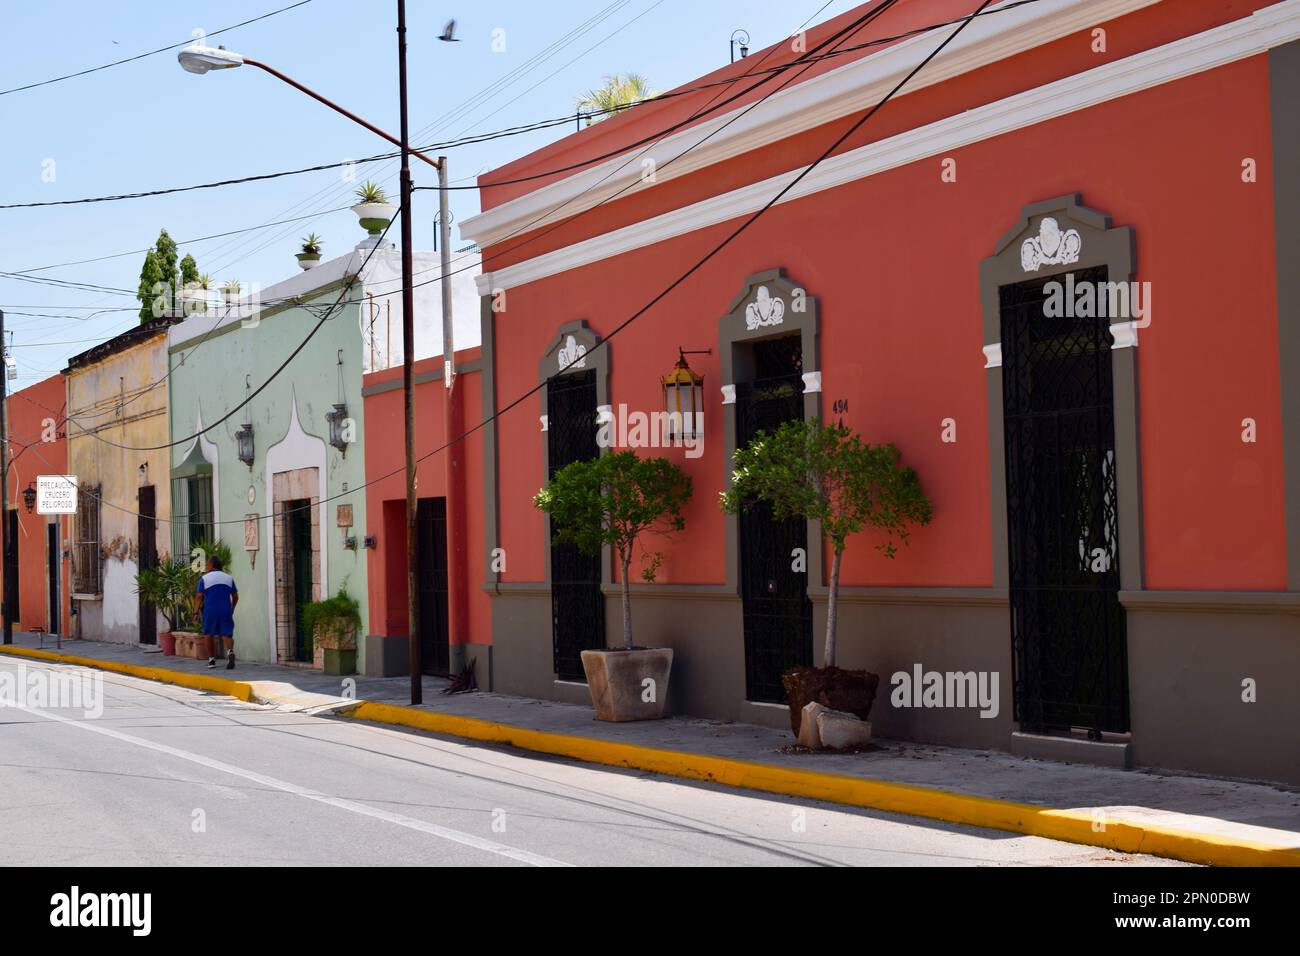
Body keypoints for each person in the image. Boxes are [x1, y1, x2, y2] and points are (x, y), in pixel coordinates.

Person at [195, 555, 238, 669]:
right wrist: (232, 608)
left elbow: (199, 596)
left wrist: (195, 612)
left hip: (210, 610)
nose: (206, 566)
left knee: (208, 634)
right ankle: (230, 652)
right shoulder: (229, 578)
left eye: (207, 564)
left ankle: (211, 660)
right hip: (225, 610)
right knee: (227, 634)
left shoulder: (204, 578)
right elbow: (235, 596)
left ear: (211, 565)